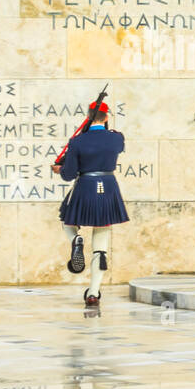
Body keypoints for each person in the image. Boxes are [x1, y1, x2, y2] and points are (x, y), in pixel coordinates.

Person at [52, 101, 128, 309]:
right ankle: (93, 293)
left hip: (85, 184)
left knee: (67, 222)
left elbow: (68, 175)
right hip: (108, 186)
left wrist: (60, 168)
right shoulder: (116, 138)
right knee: (100, 244)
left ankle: (76, 239)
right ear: (106, 117)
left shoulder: (77, 141)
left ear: (88, 116)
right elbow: (116, 147)